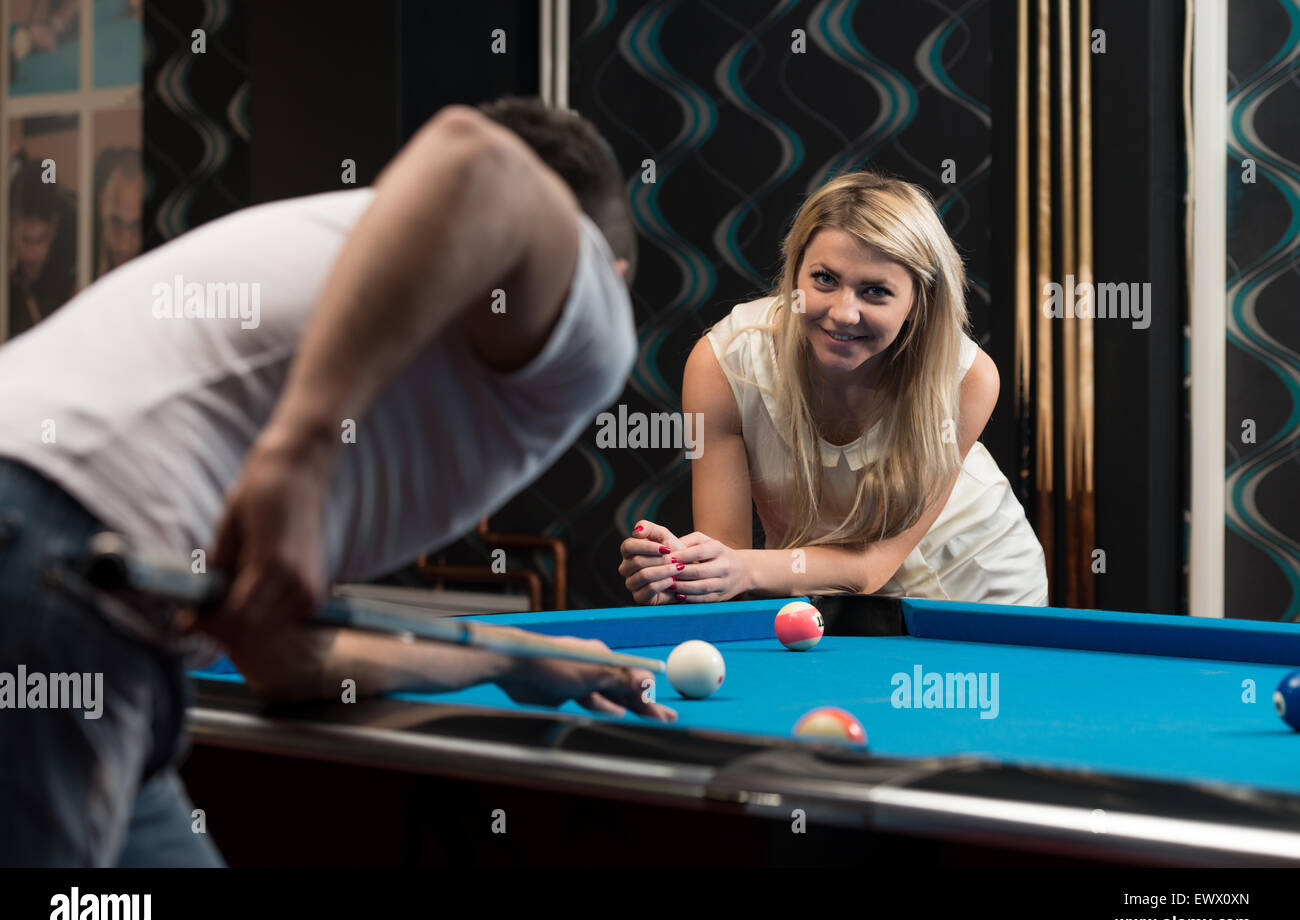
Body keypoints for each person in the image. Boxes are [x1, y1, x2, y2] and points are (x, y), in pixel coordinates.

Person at [0, 97, 673, 868]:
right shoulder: (597, 319)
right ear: (606, 272)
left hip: (78, 583)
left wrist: (513, 654)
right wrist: (299, 453)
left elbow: (284, 661)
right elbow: (474, 158)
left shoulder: (342, 281)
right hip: (53, 563)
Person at [619, 171, 1048, 606]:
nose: (843, 313)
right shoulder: (724, 364)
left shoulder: (968, 377)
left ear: (919, 300)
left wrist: (739, 568)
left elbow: (871, 565)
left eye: (876, 291)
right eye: (825, 279)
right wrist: (684, 574)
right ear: (795, 273)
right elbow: (724, 564)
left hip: (981, 583)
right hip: (822, 594)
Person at [7, 153, 76, 337]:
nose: (30, 254)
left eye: (39, 240)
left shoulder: (73, 258)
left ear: (54, 227)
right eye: (24, 239)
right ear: (12, 224)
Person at [94, 147, 144, 277]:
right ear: (101, 205)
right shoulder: (81, 258)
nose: (125, 246)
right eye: (117, 226)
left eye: (136, 229)